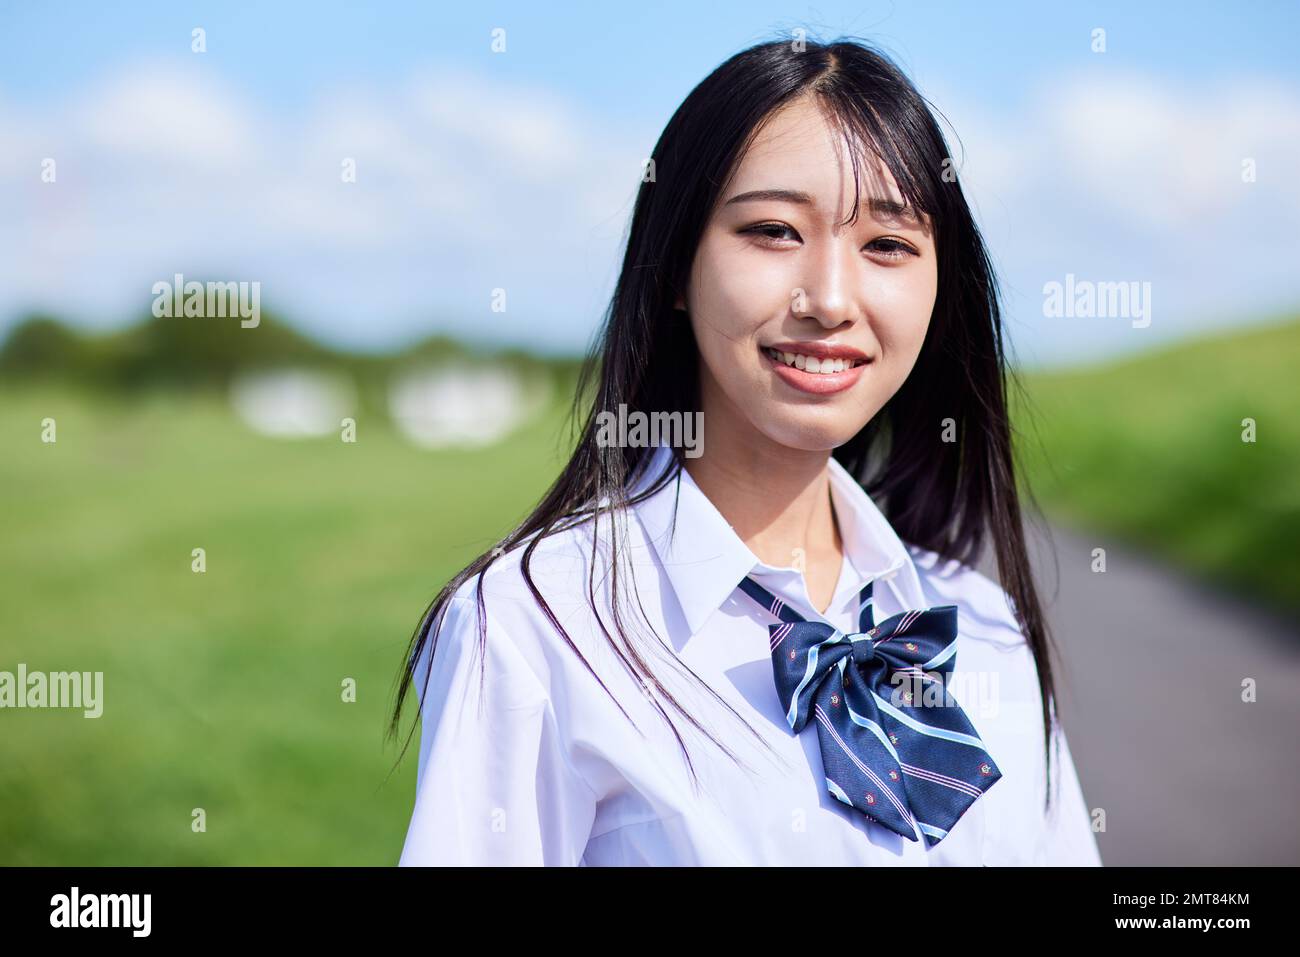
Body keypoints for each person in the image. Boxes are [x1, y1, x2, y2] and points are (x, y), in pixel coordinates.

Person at [390, 36, 1102, 866]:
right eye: (771, 230)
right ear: (676, 269)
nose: (830, 299)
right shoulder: (531, 622)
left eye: (888, 245)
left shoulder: (978, 625)